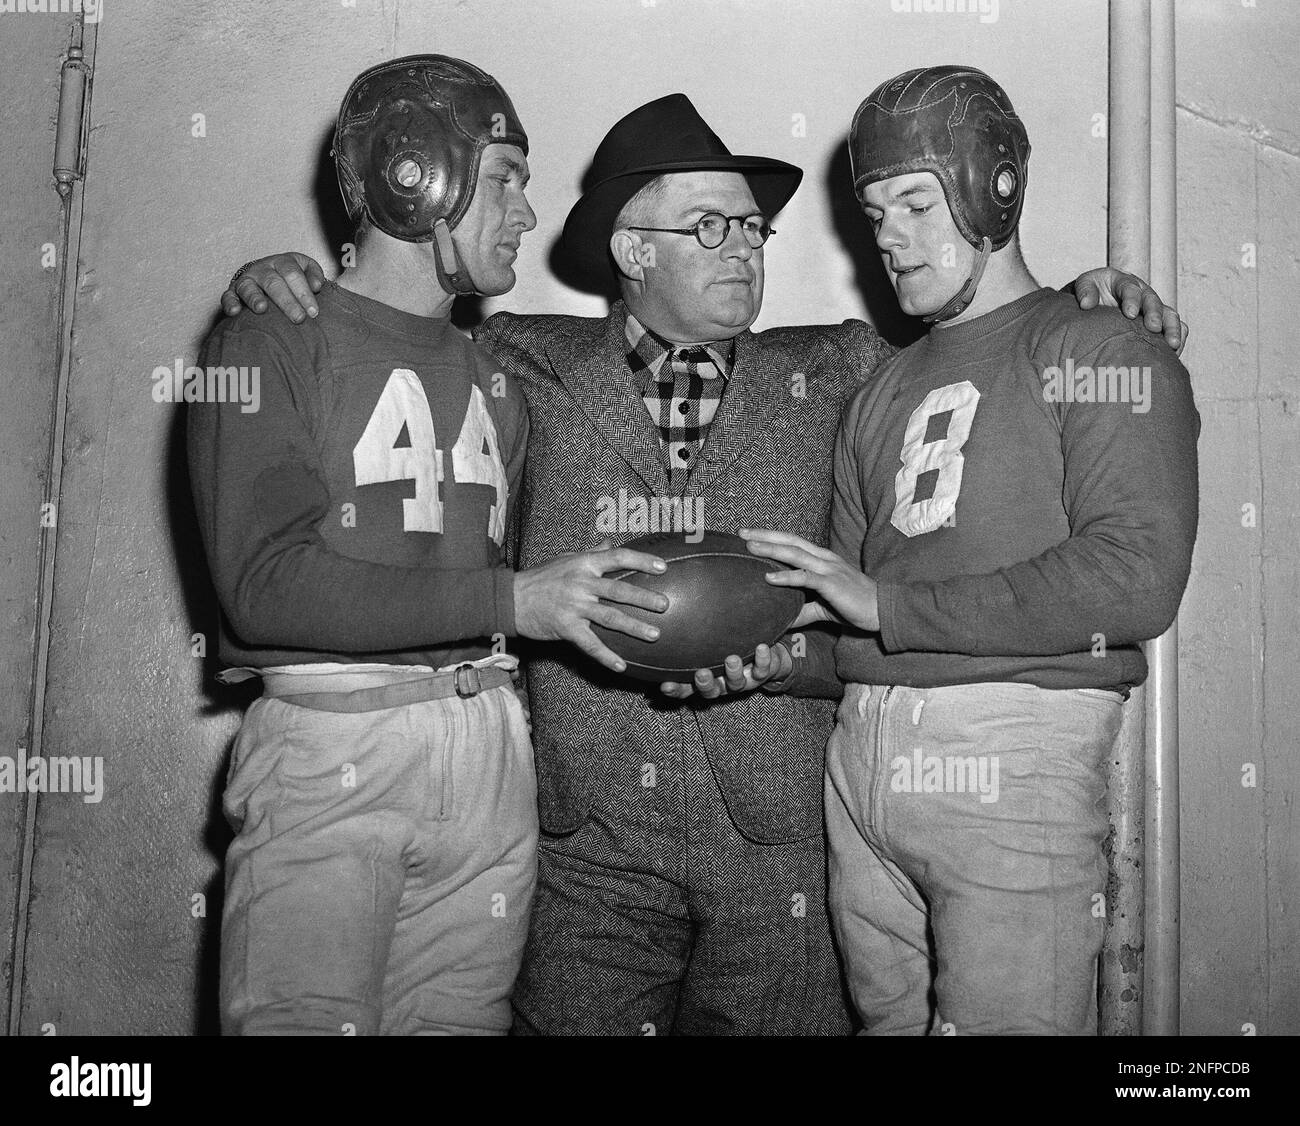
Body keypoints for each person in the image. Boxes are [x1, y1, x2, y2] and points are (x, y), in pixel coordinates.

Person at [220, 88, 1184, 1035]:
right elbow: (394, 312)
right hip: (580, 843)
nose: (745, 247)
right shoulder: (516, 359)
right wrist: (283, 276)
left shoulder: (852, 366)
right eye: (712, 226)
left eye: (753, 229)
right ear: (633, 251)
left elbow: (987, 333)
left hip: (786, 840)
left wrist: (1104, 293)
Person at [189, 54, 670, 1036]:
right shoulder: (270, 338)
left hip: (488, 736)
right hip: (336, 737)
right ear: (420, 174)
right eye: (505, 178)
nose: (527, 215)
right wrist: (513, 605)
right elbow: (265, 589)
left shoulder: (500, 376)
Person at [743, 65, 1199, 1035]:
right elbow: (851, 614)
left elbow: (1134, 577)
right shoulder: (879, 388)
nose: (889, 235)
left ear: (991, 189)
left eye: (914, 201)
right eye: (873, 210)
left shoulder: (1104, 348)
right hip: (862, 758)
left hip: (1009, 751)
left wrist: (889, 613)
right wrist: (772, 659)